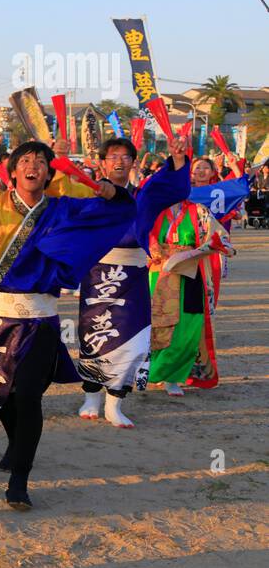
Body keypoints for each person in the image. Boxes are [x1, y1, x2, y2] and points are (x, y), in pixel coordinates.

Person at [0, 140, 135, 510]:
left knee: (28, 397)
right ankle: (15, 444)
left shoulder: (62, 208)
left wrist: (112, 192)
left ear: (49, 172)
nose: (33, 166)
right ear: (12, 171)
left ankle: (19, 479)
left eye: (41, 162)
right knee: (4, 398)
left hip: (40, 318)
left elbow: (117, 211)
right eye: (25, 161)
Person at [72, 137, 189, 427]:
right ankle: (91, 397)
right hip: (98, 274)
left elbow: (174, 186)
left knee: (132, 340)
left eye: (125, 156)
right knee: (95, 337)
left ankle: (115, 402)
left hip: (134, 275)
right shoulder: (88, 195)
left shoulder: (144, 195)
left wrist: (176, 160)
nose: (119, 161)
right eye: (112, 156)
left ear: (134, 162)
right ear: (101, 162)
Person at [148, 157, 233, 396]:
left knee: (188, 328)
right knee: (157, 326)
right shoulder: (154, 212)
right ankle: (155, 372)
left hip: (190, 275)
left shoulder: (199, 212)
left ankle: (174, 376)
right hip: (160, 275)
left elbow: (220, 239)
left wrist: (194, 252)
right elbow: (141, 236)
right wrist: (153, 247)